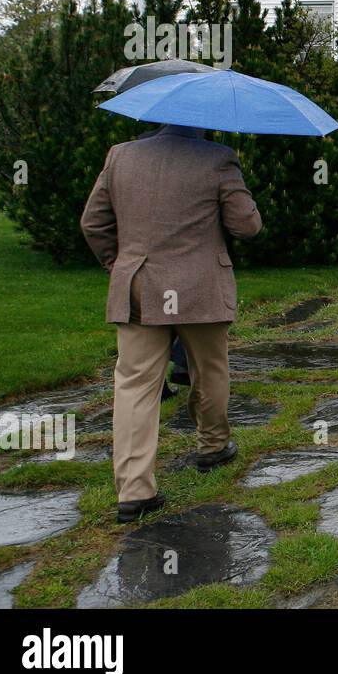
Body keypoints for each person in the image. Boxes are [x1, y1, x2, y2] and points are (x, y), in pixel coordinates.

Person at [81, 124, 262, 523]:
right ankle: (213, 446)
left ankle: (134, 491)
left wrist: (119, 266)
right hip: (200, 288)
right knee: (209, 370)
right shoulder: (218, 159)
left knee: (134, 384)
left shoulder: (120, 155)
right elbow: (246, 226)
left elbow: (93, 223)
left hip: (139, 286)